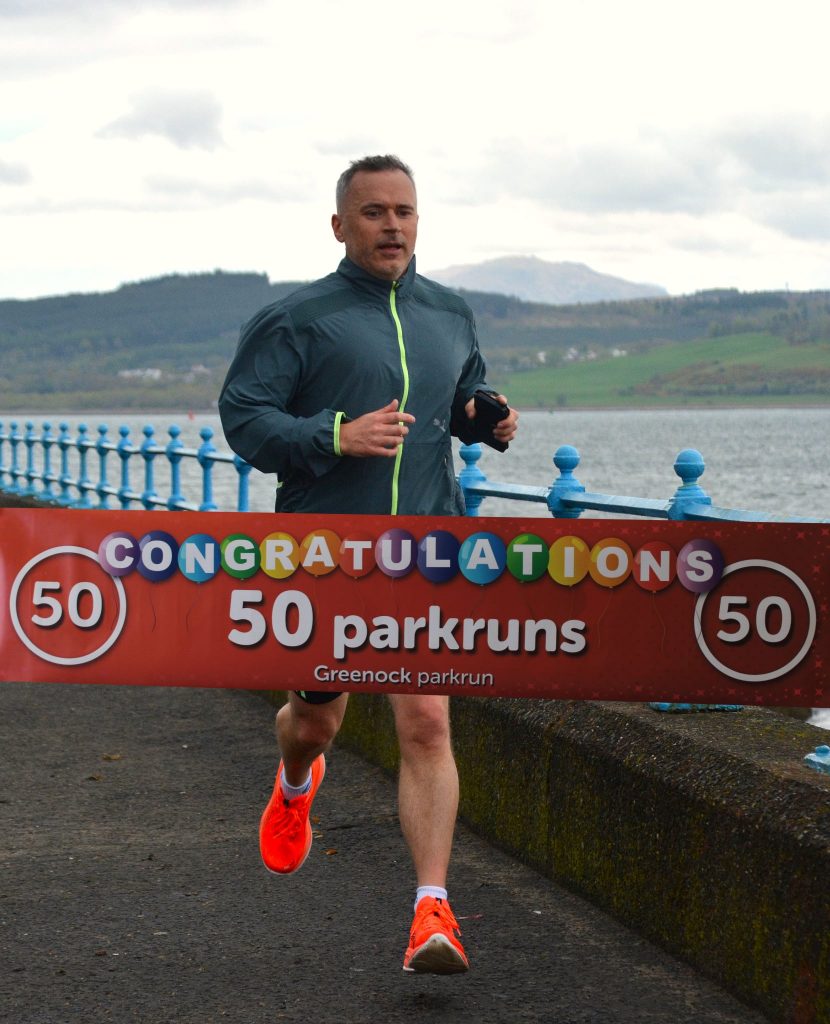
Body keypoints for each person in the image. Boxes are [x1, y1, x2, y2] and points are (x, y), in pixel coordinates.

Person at [219, 154, 518, 975]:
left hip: (427, 552)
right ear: (340, 225)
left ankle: (433, 911)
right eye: (376, 212)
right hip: (327, 555)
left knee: (427, 722)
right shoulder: (298, 318)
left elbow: (462, 393)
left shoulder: (449, 313)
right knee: (316, 720)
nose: (394, 226)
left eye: (406, 211)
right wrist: (332, 436)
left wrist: (481, 417)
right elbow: (244, 418)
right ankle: (294, 779)